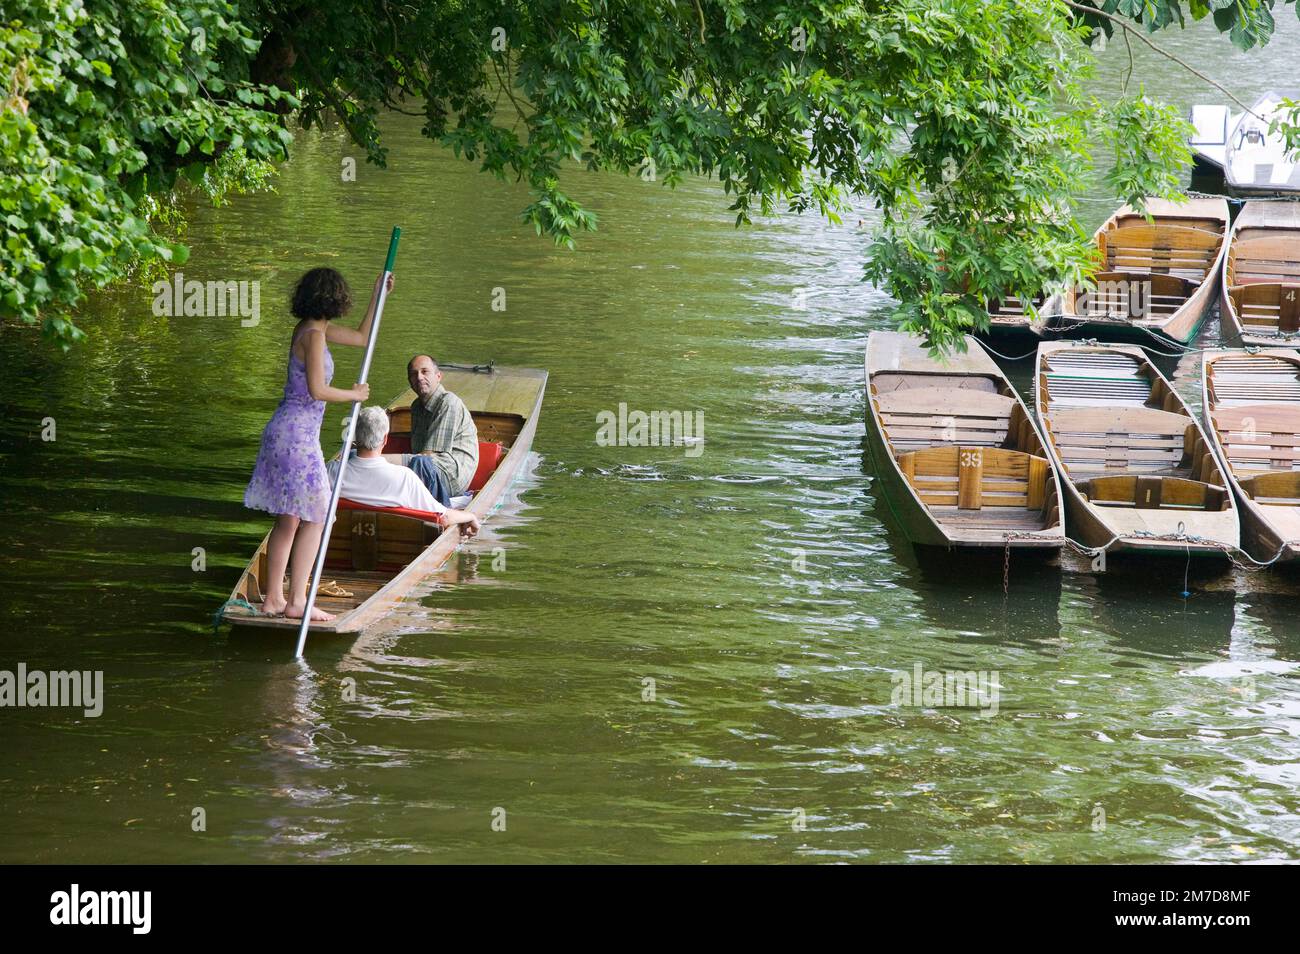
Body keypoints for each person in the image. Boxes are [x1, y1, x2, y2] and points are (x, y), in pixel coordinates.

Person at [242, 267, 387, 622]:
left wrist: (378, 294)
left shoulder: (312, 329)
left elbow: (363, 338)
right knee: (318, 515)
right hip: (296, 437)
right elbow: (318, 390)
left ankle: (276, 599)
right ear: (334, 298)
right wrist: (354, 394)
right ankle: (295, 601)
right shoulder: (314, 335)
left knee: (289, 519)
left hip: (288, 433)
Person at [328, 406, 480, 538]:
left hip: (336, 551)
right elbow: (443, 518)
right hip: (396, 552)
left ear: (355, 437)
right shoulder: (404, 478)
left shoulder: (330, 471)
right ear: (385, 439)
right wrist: (470, 515)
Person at [399, 355, 479, 505]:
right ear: (410, 382)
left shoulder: (448, 403)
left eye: (425, 372)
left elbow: (427, 458)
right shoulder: (416, 406)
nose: (419, 377)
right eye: (414, 374)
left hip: (452, 477)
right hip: (427, 470)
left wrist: (383, 461)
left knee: (418, 464)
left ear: (438, 376)